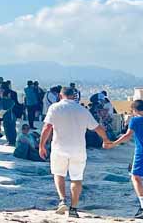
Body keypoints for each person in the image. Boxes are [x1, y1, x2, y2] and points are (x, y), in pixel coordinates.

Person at [39, 85, 110, 218]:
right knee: (76, 179)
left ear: (60, 96)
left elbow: (47, 127)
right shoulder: (82, 110)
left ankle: (62, 200)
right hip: (78, 149)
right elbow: (98, 128)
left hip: (59, 148)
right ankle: (73, 208)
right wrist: (106, 140)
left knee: (59, 174)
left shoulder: (55, 108)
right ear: (74, 96)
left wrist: (41, 145)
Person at [104, 99, 143, 219]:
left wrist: (113, 144)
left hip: (142, 153)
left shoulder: (135, 120)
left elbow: (127, 136)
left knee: (136, 177)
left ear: (134, 110)